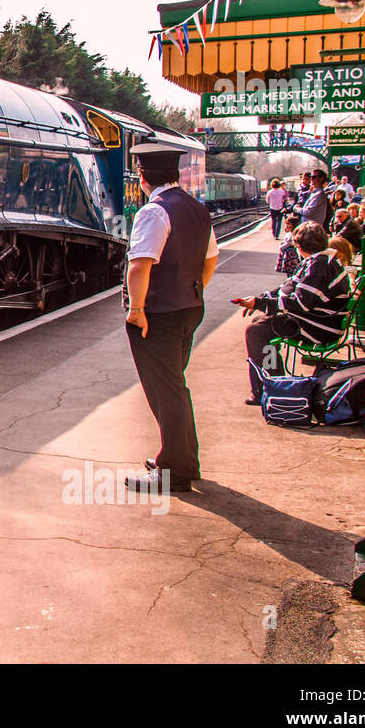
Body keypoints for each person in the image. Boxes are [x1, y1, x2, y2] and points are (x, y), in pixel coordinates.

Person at [123, 143, 220, 494]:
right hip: (189, 308)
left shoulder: (153, 211)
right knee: (175, 386)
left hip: (157, 314)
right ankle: (184, 459)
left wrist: (136, 309)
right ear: (175, 175)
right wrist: (193, 291)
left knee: (165, 390)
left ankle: (172, 471)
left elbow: (140, 264)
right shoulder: (197, 209)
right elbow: (210, 260)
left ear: (143, 176)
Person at [235, 222, 351, 404]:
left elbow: (300, 303)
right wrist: (261, 300)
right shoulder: (321, 261)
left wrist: (260, 302)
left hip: (319, 327)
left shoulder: (318, 267)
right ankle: (273, 379)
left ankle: (266, 388)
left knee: (255, 331)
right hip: (321, 320)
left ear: (299, 246)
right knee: (260, 323)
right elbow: (288, 288)